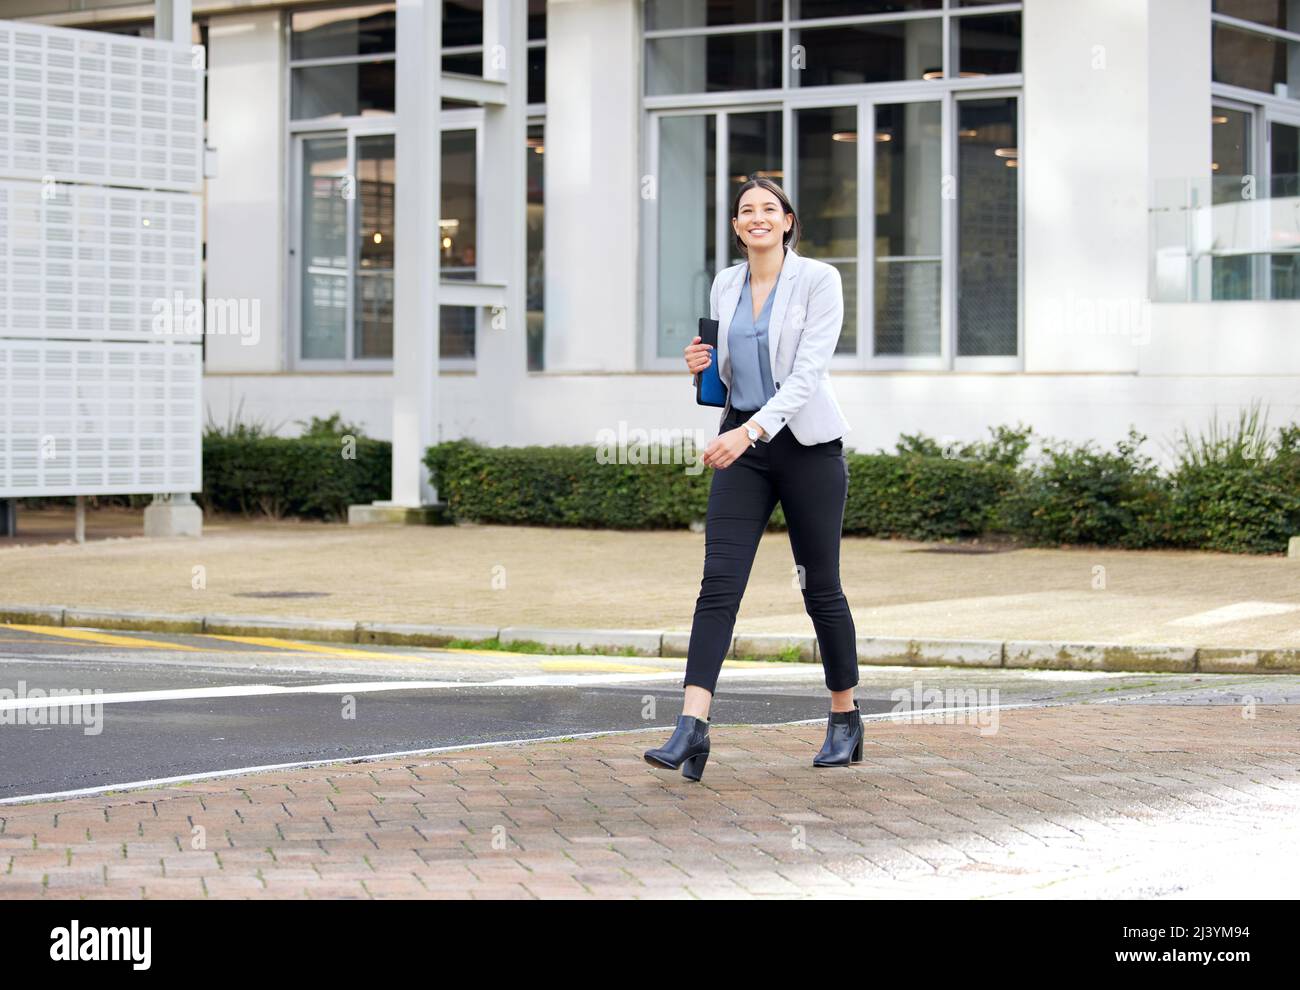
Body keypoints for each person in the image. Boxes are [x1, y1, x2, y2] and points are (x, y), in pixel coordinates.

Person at [644, 176, 862, 783]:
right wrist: (699, 371)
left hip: (806, 448)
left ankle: (845, 717)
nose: (757, 217)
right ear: (737, 227)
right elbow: (728, 374)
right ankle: (692, 727)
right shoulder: (726, 283)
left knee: (820, 586)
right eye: (747, 211)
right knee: (719, 582)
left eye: (769, 208)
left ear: (788, 221)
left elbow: (806, 375)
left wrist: (750, 432)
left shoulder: (819, 280)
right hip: (742, 444)